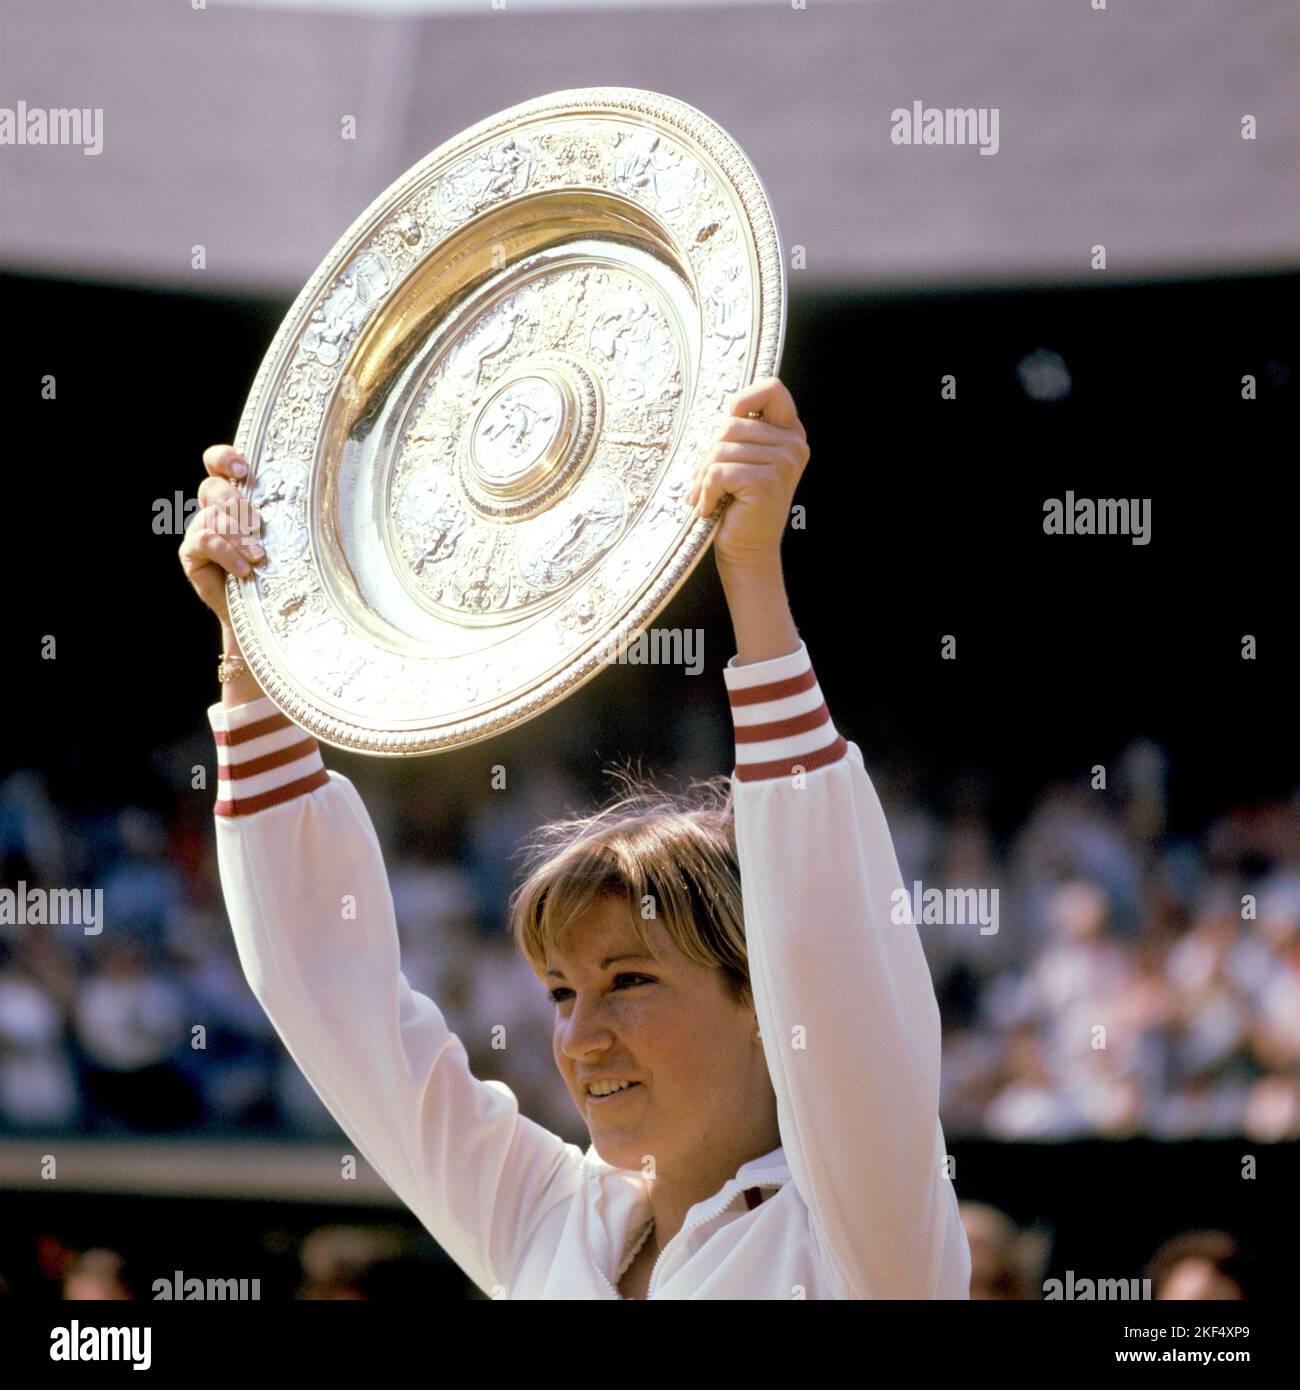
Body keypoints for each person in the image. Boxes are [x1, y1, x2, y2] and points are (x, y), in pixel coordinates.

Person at [178, 376, 971, 1299]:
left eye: (629, 980)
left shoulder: (868, 1239)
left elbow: (834, 948)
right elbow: (326, 989)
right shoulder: (550, 1218)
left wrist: (750, 569)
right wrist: (257, 641)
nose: (580, 1037)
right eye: (562, 990)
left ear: (767, 996)